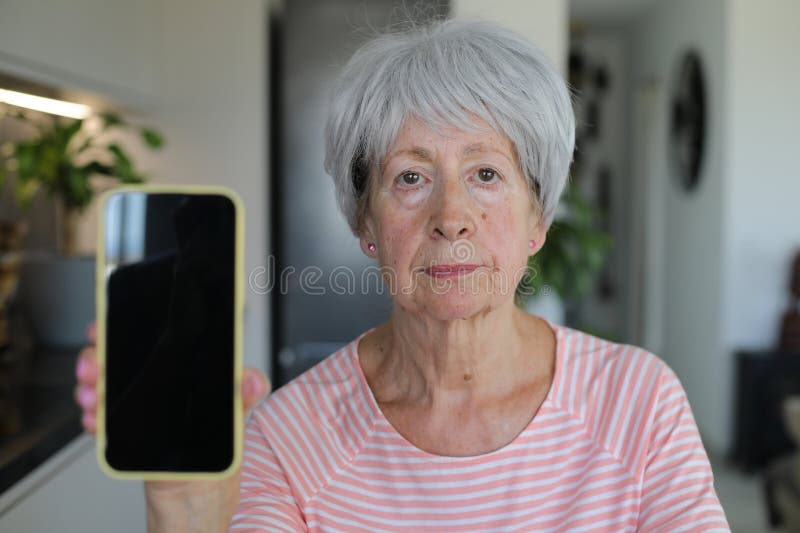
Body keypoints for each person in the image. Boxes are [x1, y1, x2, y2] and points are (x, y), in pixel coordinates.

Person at [75, 18, 730, 532]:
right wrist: (187, 506)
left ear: (538, 220)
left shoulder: (639, 404)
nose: (452, 217)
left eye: (486, 175)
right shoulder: (284, 438)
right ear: (366, 225)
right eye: (410, 177)